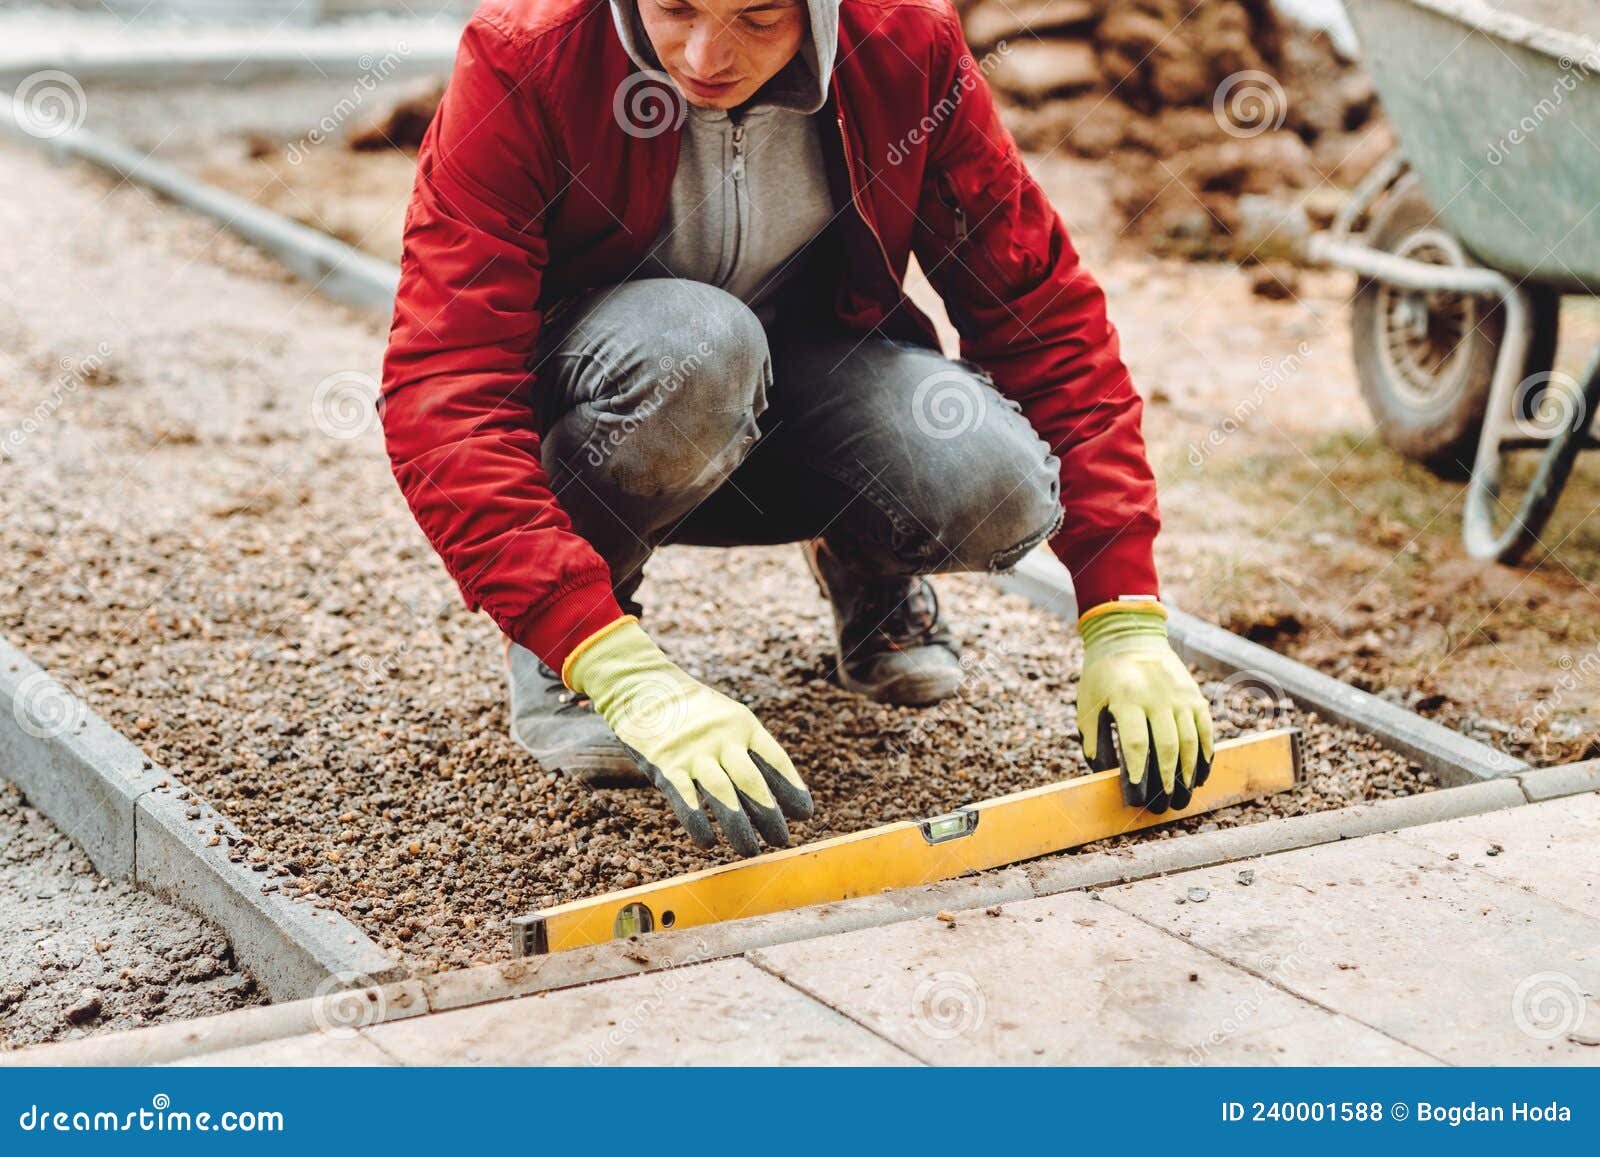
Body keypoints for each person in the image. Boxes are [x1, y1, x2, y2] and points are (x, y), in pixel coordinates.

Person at [380, 0, 1215, 857]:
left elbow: (1041, 315)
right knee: (703, 346)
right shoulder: (529, 57)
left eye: (759, 18)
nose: (706, 56)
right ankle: (577, 646)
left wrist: (1123, 613)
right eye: (675, 7)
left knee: (994, 481)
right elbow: (442, 386)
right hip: (617, 411)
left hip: (801, 385)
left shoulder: (903, 43)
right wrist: (597, 647)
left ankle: (867, 562)